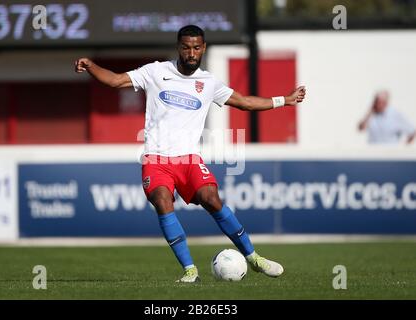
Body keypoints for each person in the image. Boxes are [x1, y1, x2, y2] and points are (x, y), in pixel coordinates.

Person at [75, 25, 306, 283]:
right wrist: (92, 66)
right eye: (186, 47)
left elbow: (244, 102)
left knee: (212, 198)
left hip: (188, 160)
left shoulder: (209, 83)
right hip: (156, 160)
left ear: (203, 48)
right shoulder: (156, 71)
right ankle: (190, 270)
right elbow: (116, 80)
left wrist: (283, 100)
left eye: (196, 47)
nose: (191, 52)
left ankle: (254, 258)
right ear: (179, 48)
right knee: (163, 201)